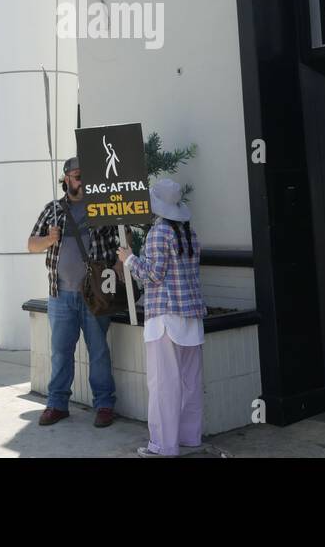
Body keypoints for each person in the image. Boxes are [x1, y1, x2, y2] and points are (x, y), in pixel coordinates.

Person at [28, 156, 121, 428]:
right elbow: (31, 244)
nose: (82, 180)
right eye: (78, 175)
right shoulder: (53, 210)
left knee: (99, 351)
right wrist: (49, 239)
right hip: (60, 294)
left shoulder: (103, 209)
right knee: (60, 352)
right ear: (66, 178)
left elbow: (121, 241)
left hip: (95, 294)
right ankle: (57, 404)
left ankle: (104, 404)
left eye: (86, 175)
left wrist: (116, 268)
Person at [118, 178, 205, 457]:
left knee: (163, 385)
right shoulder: (189, 233)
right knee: (190, 383)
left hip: (166, 316)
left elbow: (153, 275)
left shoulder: (158, 232)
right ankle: (190, 438)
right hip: (191, 316)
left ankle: (163, 446)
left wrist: (129, 259)